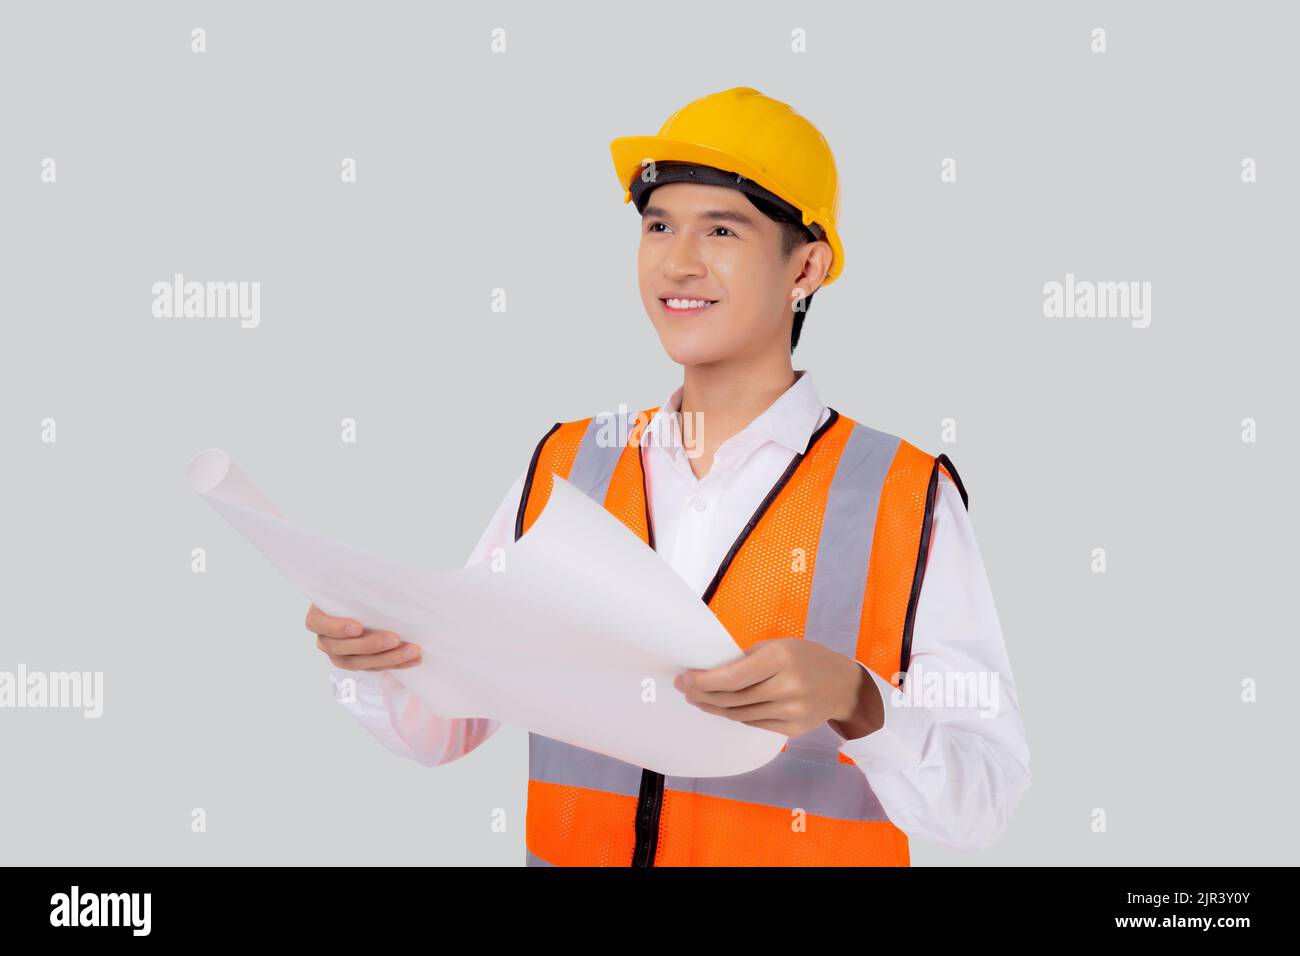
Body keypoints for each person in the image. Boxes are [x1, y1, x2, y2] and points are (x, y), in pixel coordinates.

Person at [307, 87, 1030, 866]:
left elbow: (982, 800)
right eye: (658, 226)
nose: (677, 261)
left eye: (722, 228)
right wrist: (381, 660)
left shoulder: (902, 494)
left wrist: (860, 701)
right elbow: (443, 731)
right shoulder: (567, 466)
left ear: (808, 267)